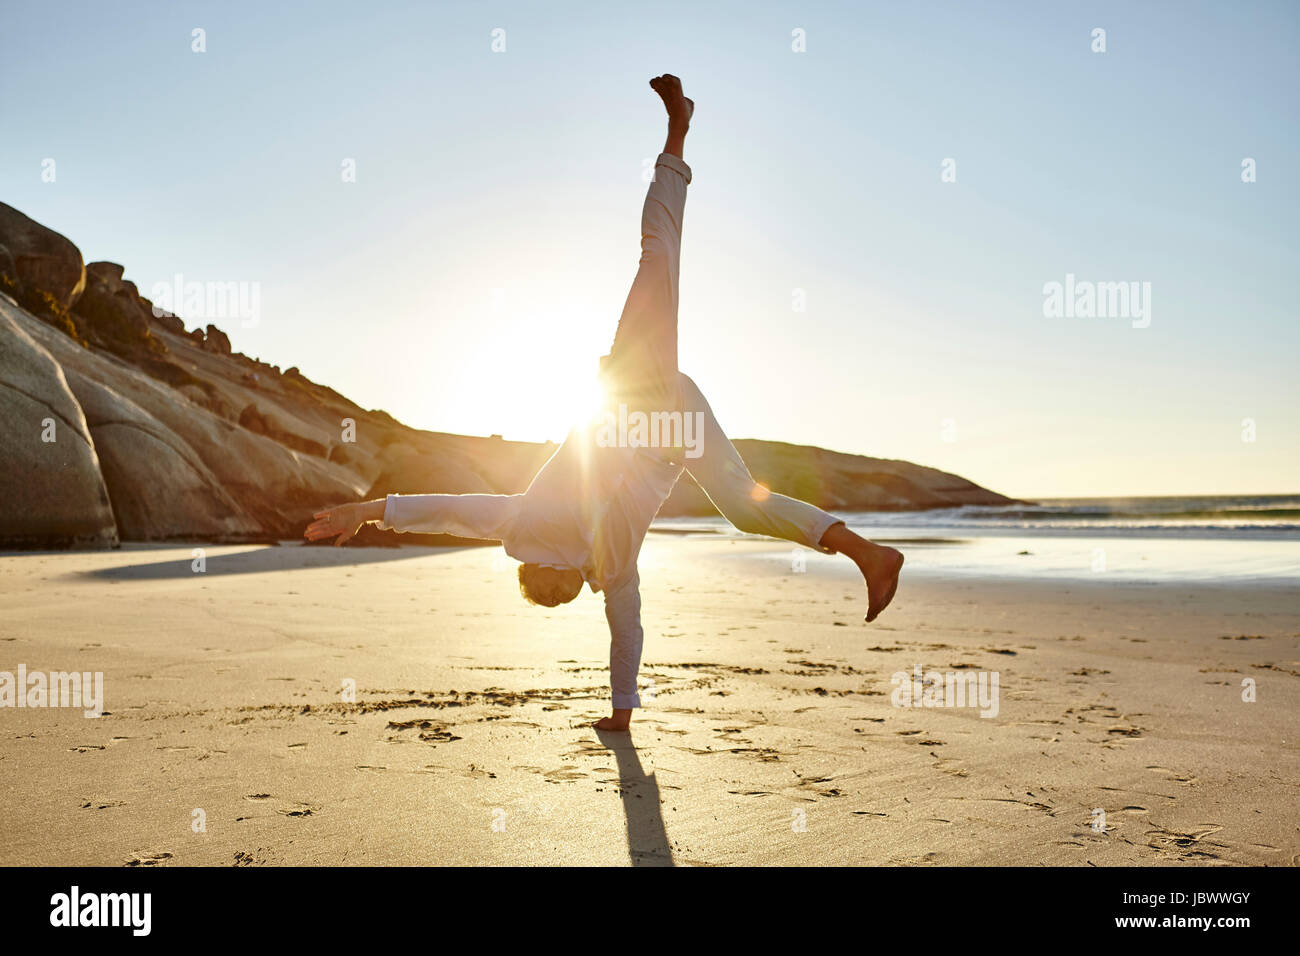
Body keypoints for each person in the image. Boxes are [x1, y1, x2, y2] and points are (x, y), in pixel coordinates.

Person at [305, 74, 904, 732]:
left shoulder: (524, 524)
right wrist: (621, 712)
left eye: (550, 596)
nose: (565, 597)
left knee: (657, 261)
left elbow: (449, 511)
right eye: (562, 600)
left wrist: (369, 510)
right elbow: (626, 634)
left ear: (537, 574)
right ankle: (868, 554)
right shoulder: (607, 573)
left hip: (635, 396)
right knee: (740, 502)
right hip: (668, 424)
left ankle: (677, 132)